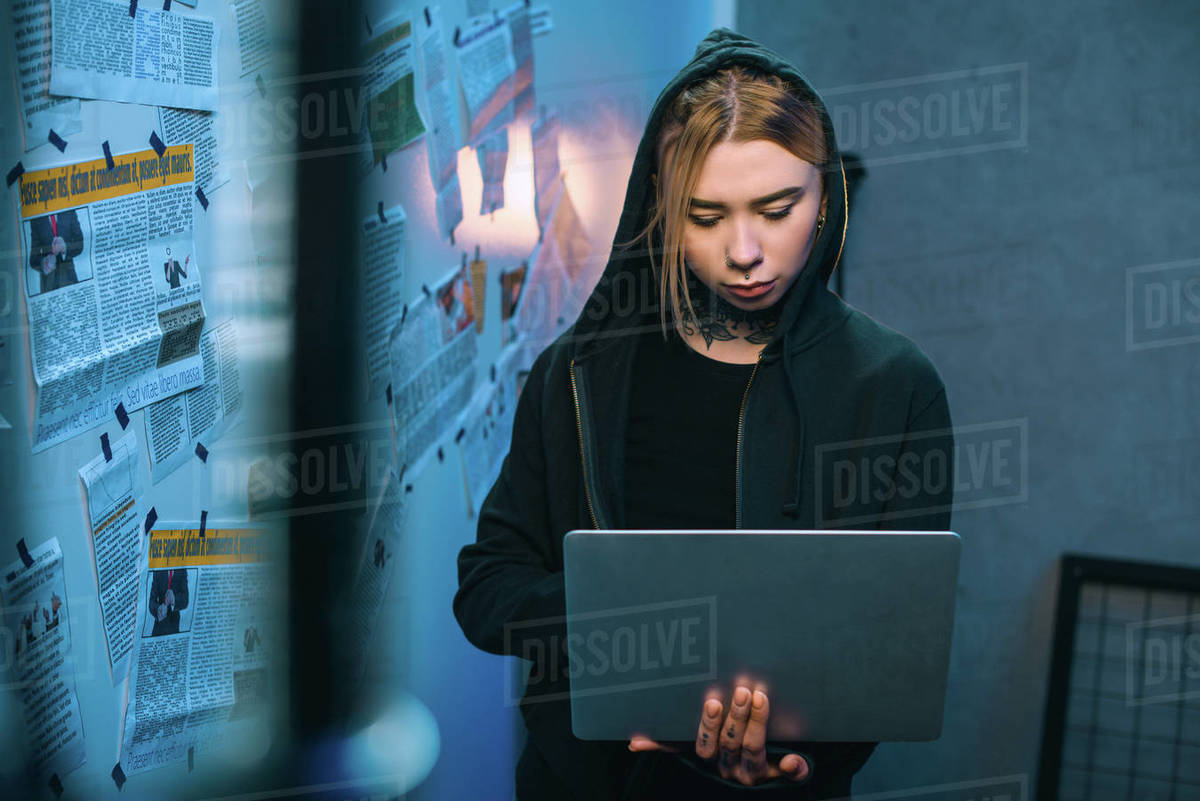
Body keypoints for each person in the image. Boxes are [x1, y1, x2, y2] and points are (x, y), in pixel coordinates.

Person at [453, 29, 955, 801]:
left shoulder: (895, 386)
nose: (745, 250)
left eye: (777, 208)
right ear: (663, 210)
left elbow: (891, 646)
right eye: (707, 216)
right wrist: (629, 620)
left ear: (826, 200)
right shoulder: (578, 374)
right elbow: (486, 590)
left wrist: (795, 759)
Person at [28, 209, 84, 294]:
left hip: (69, 277)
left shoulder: (68, 210)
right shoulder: (36, 218)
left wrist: (64, 247)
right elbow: (33, 259)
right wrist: (44, 263)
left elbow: (79, 244)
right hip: (48, 283)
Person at [149, 568, 189, 636]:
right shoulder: (158, 570)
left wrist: (174, 599)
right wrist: (158, 609)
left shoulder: (181, 570)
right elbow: (152, 600)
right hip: (159, 624)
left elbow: (185, 599)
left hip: (174, 623)